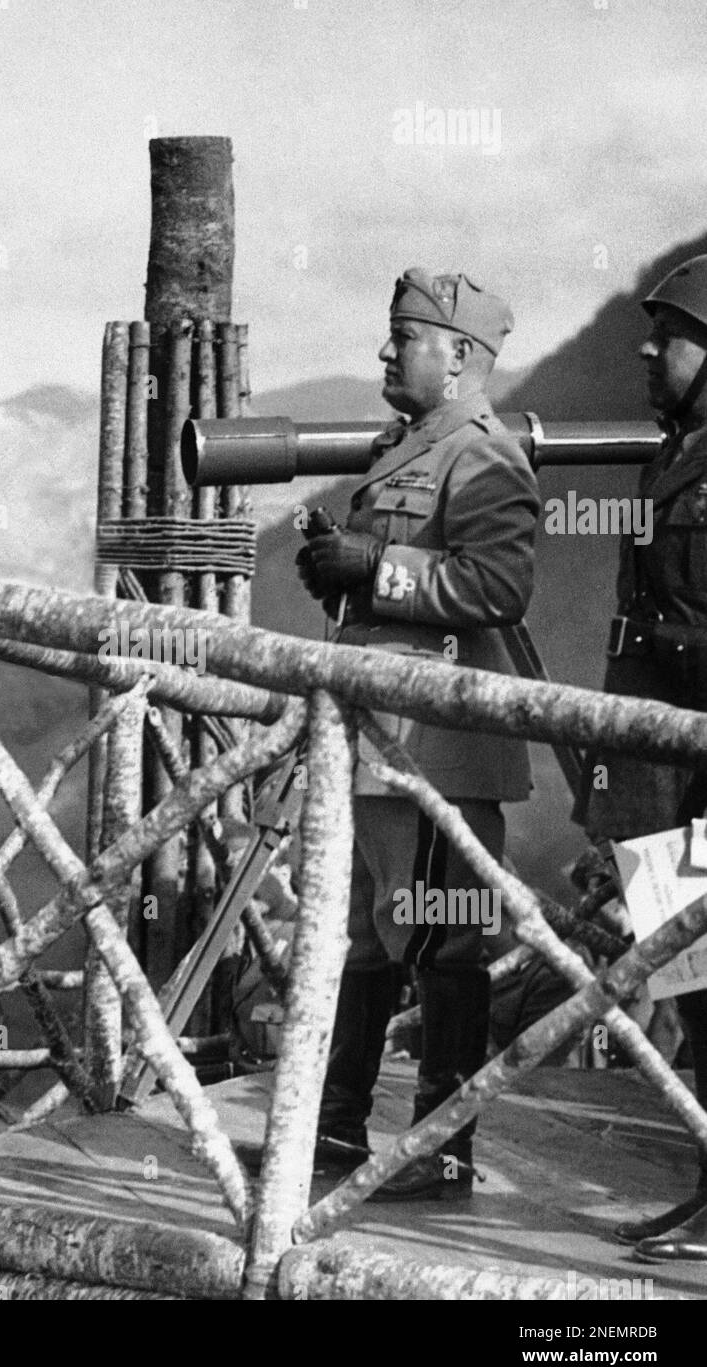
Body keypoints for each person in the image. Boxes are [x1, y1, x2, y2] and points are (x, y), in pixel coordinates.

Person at [296, 268, 541, 1199]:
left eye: (402, 339)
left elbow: (496, 587)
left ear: (458, 357)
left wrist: (379, 566)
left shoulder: (483, 455)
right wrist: (343, 569)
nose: (385, 352)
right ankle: (334, 1138)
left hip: (439, 745)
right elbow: (410, 577)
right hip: (381, 738)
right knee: (364, 936)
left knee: (444, 941)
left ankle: (442, 1154)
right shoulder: (409, 446)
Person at [575, 254, 707, 1261]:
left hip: (700, 773)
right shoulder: (670, 458)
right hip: (656, 770)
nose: (646, 346)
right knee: (692, 985)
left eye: (669, 331)